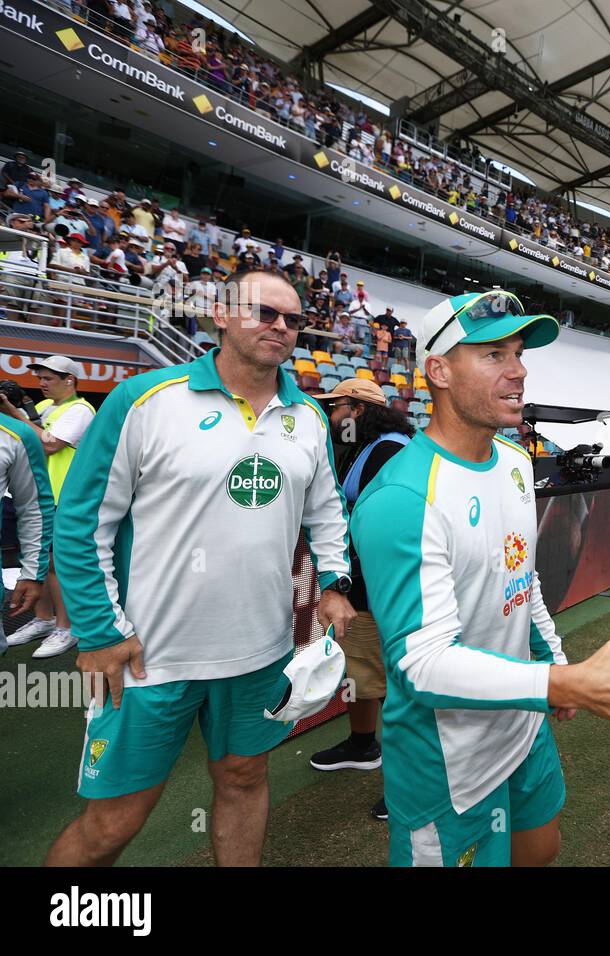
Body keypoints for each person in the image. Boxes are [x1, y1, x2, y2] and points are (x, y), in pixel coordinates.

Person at [352, 290, 610, 867]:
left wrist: (553, 662)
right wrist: (561, 683)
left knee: (541, 848)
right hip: (446, 761)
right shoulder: (401, 498)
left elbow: (522, 578)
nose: (519, 371)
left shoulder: (513, 461)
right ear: (438, 371)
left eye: (518, 353)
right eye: (493, 355)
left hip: (523, 726)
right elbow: (423, 664)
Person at [46, 270, 355, 867]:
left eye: (292, 319)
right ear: (220, 313)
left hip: (261, 652)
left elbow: (326, 511)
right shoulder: (146, 400)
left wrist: (335, 583)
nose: (280, 327)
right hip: (148, 656)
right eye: (264, 311)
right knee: (113, 821)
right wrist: (100, 633)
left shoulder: (309, 416)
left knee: (243, 780)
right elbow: (83, 523)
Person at [309, 378, 415, 821]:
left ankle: (411, 786)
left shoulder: (388, 451)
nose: (329, 415)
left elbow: (387, 525)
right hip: (369, 587)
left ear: (354, 409)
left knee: (398, 688)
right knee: (361, 674)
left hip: (385, 590)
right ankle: (362, 743)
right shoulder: (368, 447)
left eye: (335, 407)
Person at [4, 356, 94, 658]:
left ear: (70, 380)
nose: (42, 383)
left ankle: (65, 627)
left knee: (56, 564)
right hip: (32, 496)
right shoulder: (41, 409)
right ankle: (43, 620)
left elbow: (49, 443)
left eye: (49, 378)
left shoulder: (80, 410)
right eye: (40, 378)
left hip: (62, 496)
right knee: (35, 559)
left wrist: (12, 412)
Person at [0, 384, 55, 655]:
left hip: (59, 494)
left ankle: (54, 624)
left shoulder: (16, 434)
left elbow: (33, 507)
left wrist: (32, 572)